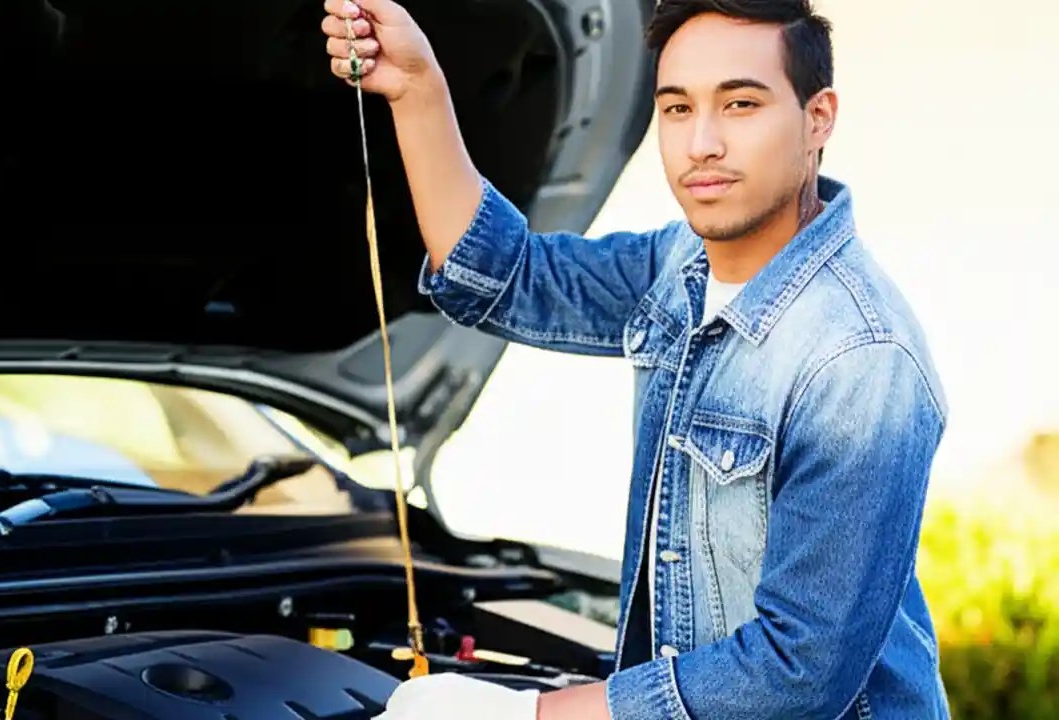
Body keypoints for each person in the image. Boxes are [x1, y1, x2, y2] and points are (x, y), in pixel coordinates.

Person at [322, 0, 951, 717]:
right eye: (677, 108)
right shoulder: (680, 263)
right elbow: (508, 277)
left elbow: (797, 675)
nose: (701, 143)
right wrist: (418, 89)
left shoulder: (860, 361)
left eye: (740, 104)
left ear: (818, 118)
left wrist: (521, 715)